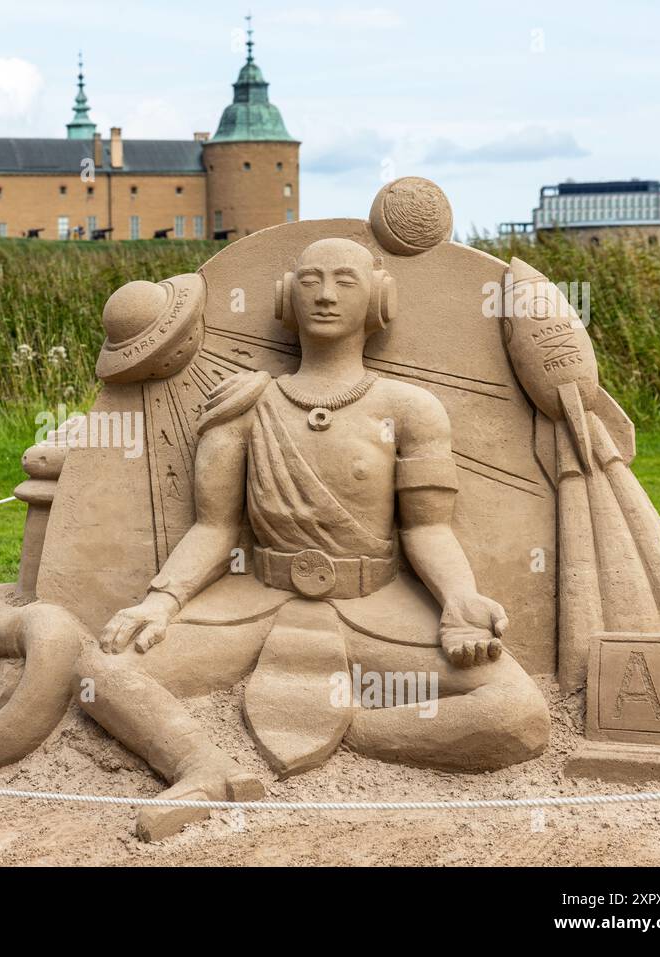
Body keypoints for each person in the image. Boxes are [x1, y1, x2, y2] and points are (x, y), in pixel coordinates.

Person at [78, 238, 550, 840]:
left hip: (373, 602)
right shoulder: (246, 404)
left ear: (379, 297)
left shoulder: (411, 409)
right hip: (258, 596)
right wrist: (162, 600)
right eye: (311, 280)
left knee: (517, 714)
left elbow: (426, 528)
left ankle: (355, 732)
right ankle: (206, 765)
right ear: (286, 297)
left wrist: (459, 599)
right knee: (102, 669)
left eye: (345, 281)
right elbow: (216, 527)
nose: (326, 295)